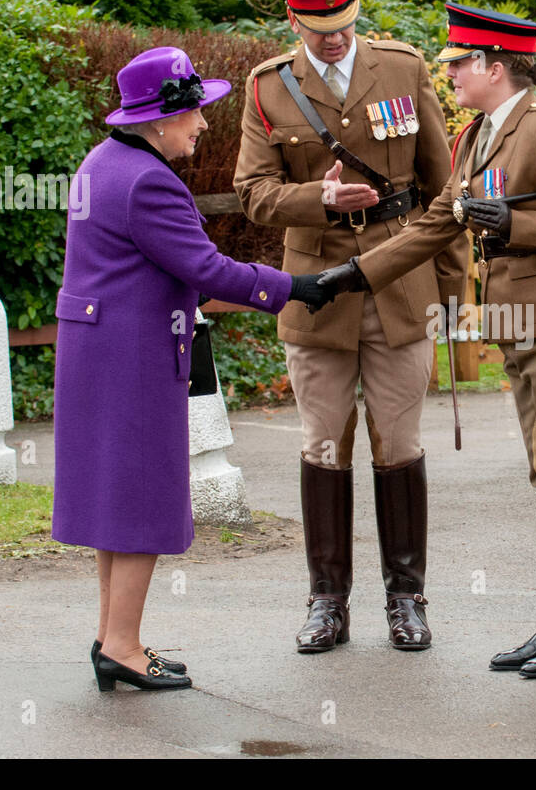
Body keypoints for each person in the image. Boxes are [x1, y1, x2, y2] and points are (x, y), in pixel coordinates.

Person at [317, 3, 536, 677]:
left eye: (459, 63)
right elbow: (434, 225)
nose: (449, 72)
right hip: (517, 327)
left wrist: (514, 225)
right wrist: (350, 276)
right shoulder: (475, 135)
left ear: (495, 66)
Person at [52, 46, 330, 692]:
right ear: (159, 122)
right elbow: (207, 271)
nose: (204, 125)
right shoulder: (148, 181)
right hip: (132, 361)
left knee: (114, 506)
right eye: (195, 114)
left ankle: (113, 639)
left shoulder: (101, 163)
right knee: (142, 502)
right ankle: (121, 645)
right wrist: (297, 286)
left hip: (97, 353)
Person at [233, 0, 461, 653]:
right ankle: (327, 601)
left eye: (342, 22)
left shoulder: (403, 67)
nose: (332, 37)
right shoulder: (269, 87)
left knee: (400, 444)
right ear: (292, 18)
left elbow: (443, 191)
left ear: (357, 9)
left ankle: (407, 598)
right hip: (317, 289)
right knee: (324, 443)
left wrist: (451, 294)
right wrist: (319, 199)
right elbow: (253, 192)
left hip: (398, 286)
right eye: (317, 25)